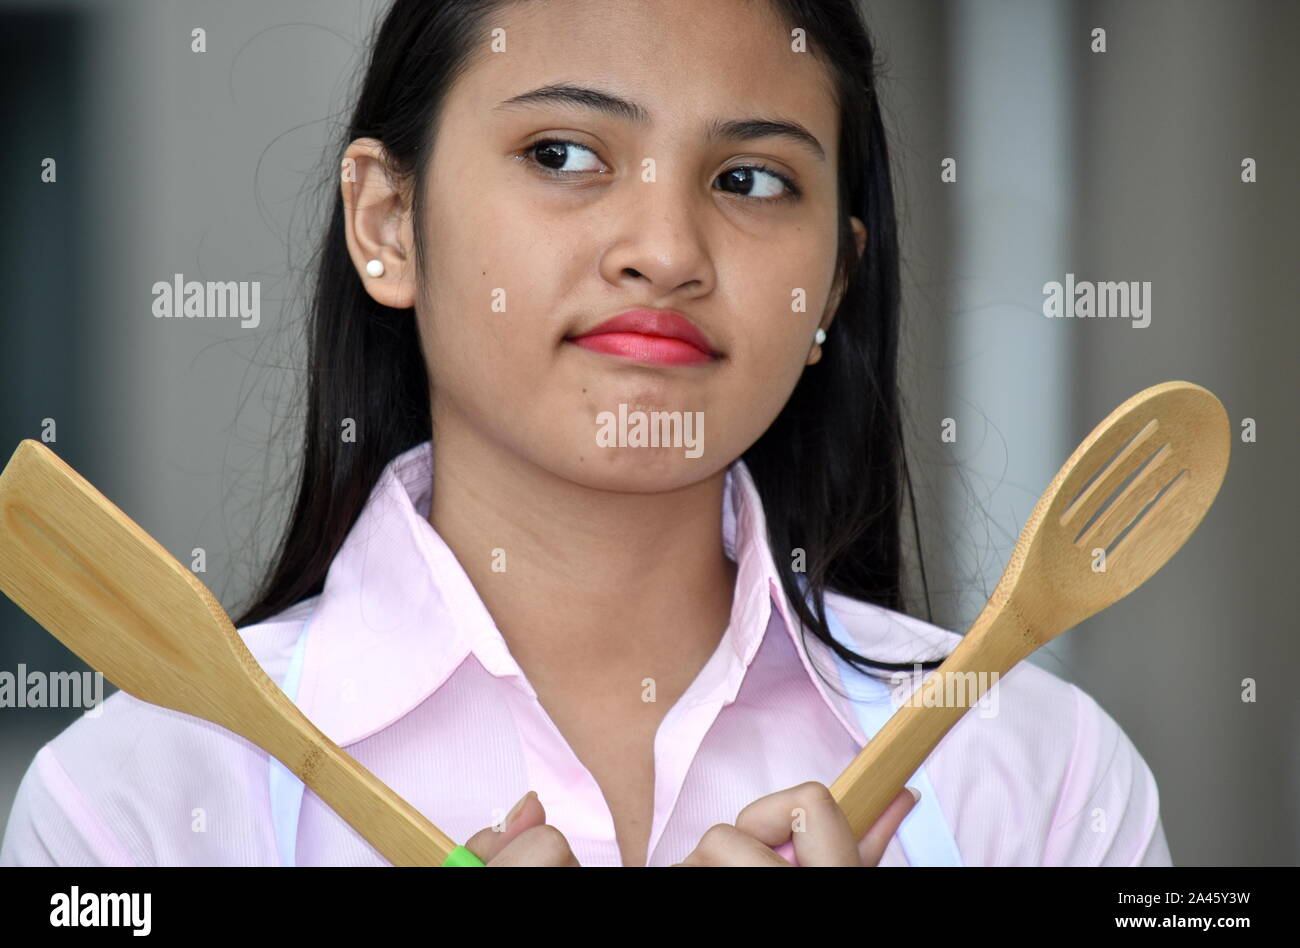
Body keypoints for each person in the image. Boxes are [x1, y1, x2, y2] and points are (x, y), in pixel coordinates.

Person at [0, 0, 1170, 867]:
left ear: (833, 284)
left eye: (753, 179)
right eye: (562, 154)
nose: (664, 247)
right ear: (389, 222)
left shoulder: (1044, 781)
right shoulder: (132, 806)